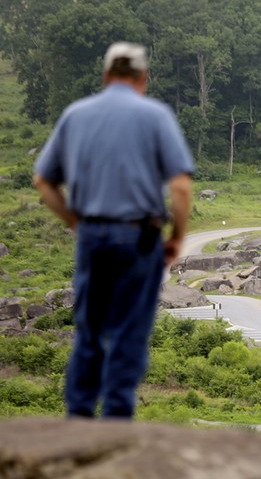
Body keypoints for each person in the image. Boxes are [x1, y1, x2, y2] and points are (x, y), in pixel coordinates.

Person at [33, 42, 194, 419]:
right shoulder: (156, 115)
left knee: (89, 330)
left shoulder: (76, 115)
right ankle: (117, 421)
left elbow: (43, 181)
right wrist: (176, 237)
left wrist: (75, 221)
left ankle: (79, 417)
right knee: (128, 331)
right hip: (140, 237)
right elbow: (181, 186)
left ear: (106, 76)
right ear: (143, 78)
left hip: (93, 236)